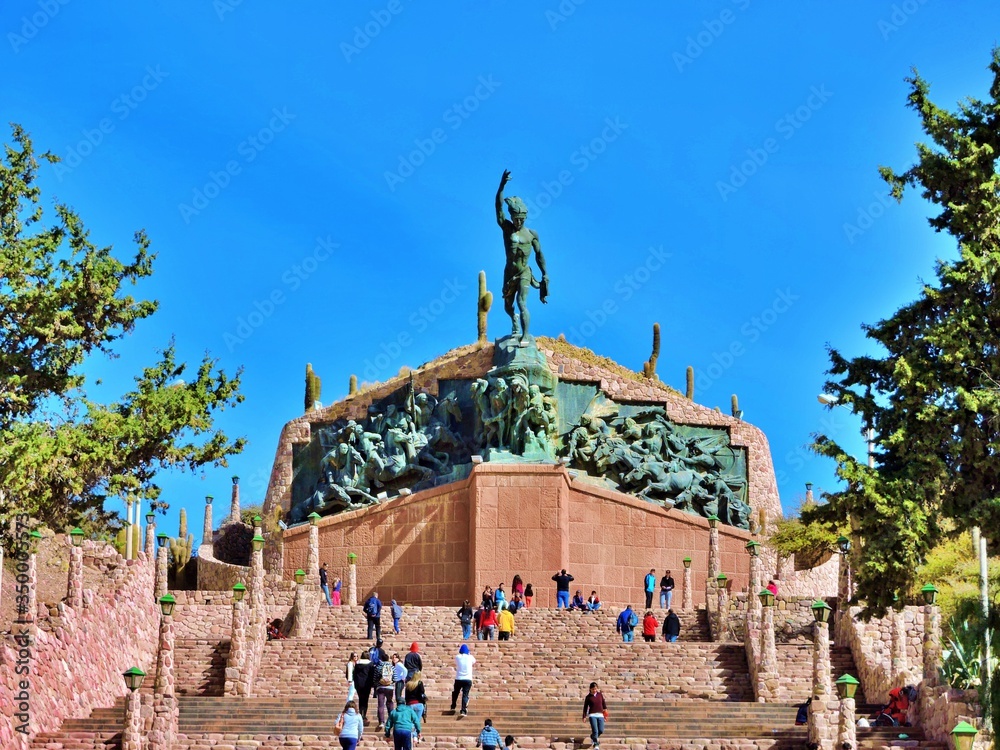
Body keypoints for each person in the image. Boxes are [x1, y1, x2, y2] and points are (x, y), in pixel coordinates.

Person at [495, 169, 549, 341]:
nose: (518, 222)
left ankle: (525, 336)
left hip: (524, 272)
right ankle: (514, 320)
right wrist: (502, 185)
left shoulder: (532, 234)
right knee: (508, 306)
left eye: (521, 219)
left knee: (522, 303)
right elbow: (498, 207)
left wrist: (544, 274)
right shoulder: (507, 228)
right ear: (512, 216)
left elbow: (539, 255)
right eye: (516, 218)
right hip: (509, 272)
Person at [451, 643, 476, 717]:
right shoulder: (470, 657)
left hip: (459, 678)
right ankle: (463, 710)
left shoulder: (457, 657)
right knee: (465, 695)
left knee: (455, 692)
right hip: (468, 679)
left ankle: (453, 705)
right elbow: (474, 661)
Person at [582, 681, 607, 749]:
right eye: (593, 689)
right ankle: (596, 745)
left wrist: (605, 713)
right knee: (595, 731)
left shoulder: (600, 695)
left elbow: (603, 704)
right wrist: (584, 716)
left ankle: (593, 737)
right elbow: (585, 707)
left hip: (600, 715)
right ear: (590, 689)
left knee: (601, 730)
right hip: (592, 715)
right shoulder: (588, 697)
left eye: (595, 689)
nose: (594, 690)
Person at [352, 651, 374, 723]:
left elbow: (354, 675)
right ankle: (364, 714)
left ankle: (361, 713)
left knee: (361, 699)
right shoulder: (370, 664)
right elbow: (372, 675)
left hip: (359, 684)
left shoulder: (357, 664)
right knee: (365, 699)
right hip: (367, 684)